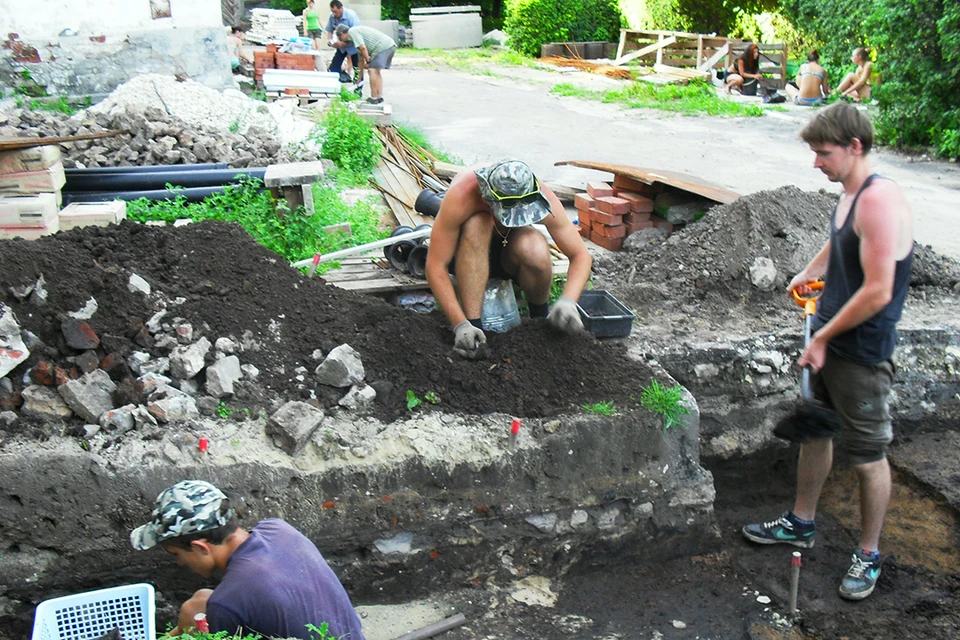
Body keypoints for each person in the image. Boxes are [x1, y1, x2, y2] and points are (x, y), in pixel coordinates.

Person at [741, 103, 914, 601]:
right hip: (831, 338)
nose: (816, 163)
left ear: (854, 147)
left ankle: (869, 552)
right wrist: (812, 268)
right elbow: (841, 240)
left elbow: (879, 290)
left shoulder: (881, 202)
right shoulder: (851, 194)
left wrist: (821, 337)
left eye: (823, 153)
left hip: (860, 351)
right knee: (816, 431)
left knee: (867, 456)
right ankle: (801, 521)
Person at [130, 480, 365, 639]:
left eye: (176, 555)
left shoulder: (228, 603)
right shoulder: (277, 529)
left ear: (200, 547)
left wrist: (189, 631)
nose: (179, 563)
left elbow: (230, 602)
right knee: (201, 601)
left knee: (204, 609)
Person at [424, 159, 593, 360]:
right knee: (478, 223)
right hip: (466, 253)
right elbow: (435, 266)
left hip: (507, 252)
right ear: (488, 198)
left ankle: (539, 320)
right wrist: (460, 325)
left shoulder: (539, 194)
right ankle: (474, 333)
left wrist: (568, 301)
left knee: (535, 246)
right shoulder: (463, 194)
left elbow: (580, 255)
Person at [335, 24, 396, 105]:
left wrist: (368, 60)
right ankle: (379, 96)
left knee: (372, 70)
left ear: (343, 34)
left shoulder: (352, 32)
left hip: (382, 46)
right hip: (389, 45)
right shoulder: (355, 39)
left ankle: (374, 97)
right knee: (376, 71)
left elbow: (363, 48)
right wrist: (358, 78)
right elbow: (360, 60)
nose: (342, 41)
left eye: (340, 38)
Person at [325, 0, 361, 84]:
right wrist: (330, 40)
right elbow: (329, 30)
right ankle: (332, 85)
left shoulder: (351, 16)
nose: (334, 14)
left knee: (357, 68)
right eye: (332, 12)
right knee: (334, 66)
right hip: (341, 47)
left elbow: (356, 35)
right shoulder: (332, 17)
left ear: (341, 9)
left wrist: (342, 43)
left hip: (353, 46)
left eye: (335, 11)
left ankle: (358, 89)